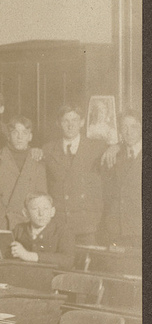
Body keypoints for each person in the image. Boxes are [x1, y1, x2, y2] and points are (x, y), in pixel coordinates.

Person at [0, 116, 48, 246]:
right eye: (15, 132)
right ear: (8, 135)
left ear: (30, 137)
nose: (20, 137)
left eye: (24, 133)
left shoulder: (38, 166)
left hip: (26, 229)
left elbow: (42, 202)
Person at [42, 105, 106, 245]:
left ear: (82, 122)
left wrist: (116, 147)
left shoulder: (97, 148)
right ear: (59, 124)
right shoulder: (47, 150)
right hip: (60, 223)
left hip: (87, 225)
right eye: (66, 121)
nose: (70, 125)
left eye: (75, 120)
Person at [102, 109, 141, 247]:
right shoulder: (114, 154)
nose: (129, 132)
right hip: (116, 230)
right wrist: (115, 146)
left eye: (133, 127)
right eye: (124, 127)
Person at [9, 193, 73, 269]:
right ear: (25, 213)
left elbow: (67, 261)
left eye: (45, 209)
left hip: (51, 277)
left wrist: (29, 256)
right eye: (35, 209)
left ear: (52, 211)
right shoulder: (20, 229)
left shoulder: (63, 231)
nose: (41, 213)